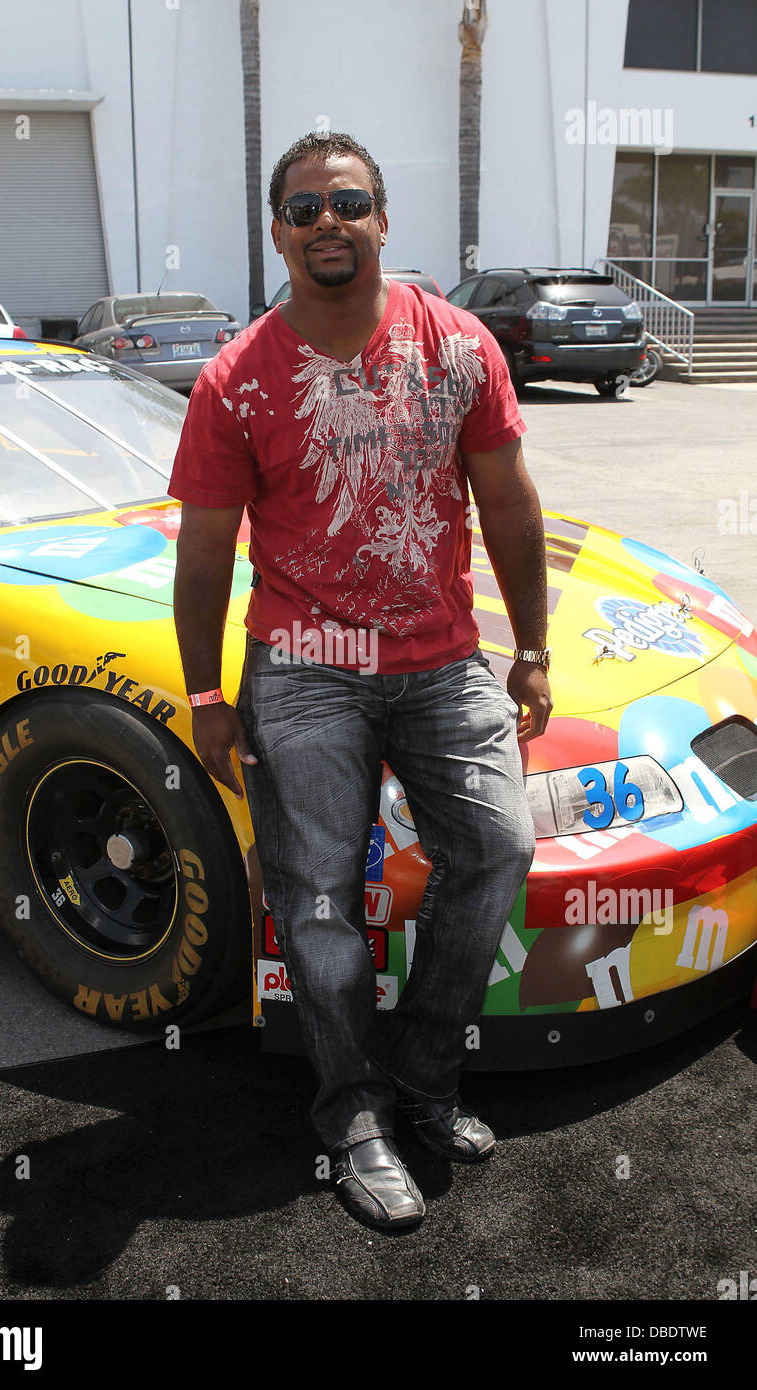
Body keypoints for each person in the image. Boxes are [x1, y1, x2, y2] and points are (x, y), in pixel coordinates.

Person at [170, 131, 552, 1231]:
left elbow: (509, 507)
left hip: (438, 660)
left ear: (383, 218)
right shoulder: (234, 382)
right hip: (301, 671)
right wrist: (207, 697)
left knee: (495, 848)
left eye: (347, 201)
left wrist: (526, 649)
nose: (325, 220)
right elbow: (202, 557)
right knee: (323, 906)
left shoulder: (459, 346)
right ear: (278, 233)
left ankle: (423, 1076)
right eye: (302, 209)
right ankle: (350, 1111)